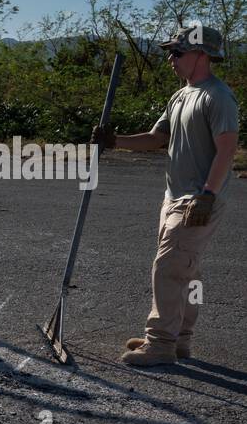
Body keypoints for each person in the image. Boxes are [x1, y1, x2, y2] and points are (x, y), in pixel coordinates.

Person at [92, 24, 239, 366]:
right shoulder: (181, 95)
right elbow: (157, 138)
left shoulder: (218, 97)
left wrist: (207, 195)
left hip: (199, 199)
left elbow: (227, 150)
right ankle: (179, 340)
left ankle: (159, 343)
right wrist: (114, 141)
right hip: (174, 196)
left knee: (169, 267)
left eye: (177, 52)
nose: (170, 59)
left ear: (202, 55)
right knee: (187, 270)